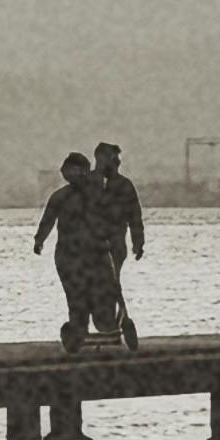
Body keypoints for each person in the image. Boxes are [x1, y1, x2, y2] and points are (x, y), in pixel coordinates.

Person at [83, 135, 146, 347]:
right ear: (100, 159)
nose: (116, 164)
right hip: (90, 246)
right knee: (93, 285)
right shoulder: (87, 183)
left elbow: (135, 215)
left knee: (111, 283)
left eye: (117, 160)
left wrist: (138, 241)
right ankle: (104, 324)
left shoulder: (124, 186)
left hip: (115, 245)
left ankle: (114, 323)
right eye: (113, 159)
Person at [34, 150, 101, 343]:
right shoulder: (61, 197)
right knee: (75, 293)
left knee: (89, 292)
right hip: (68, 254)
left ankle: (85, 327)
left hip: (90, 253)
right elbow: (47, 221)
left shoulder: (95, 194)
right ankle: (79, 328)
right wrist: (39, 240)